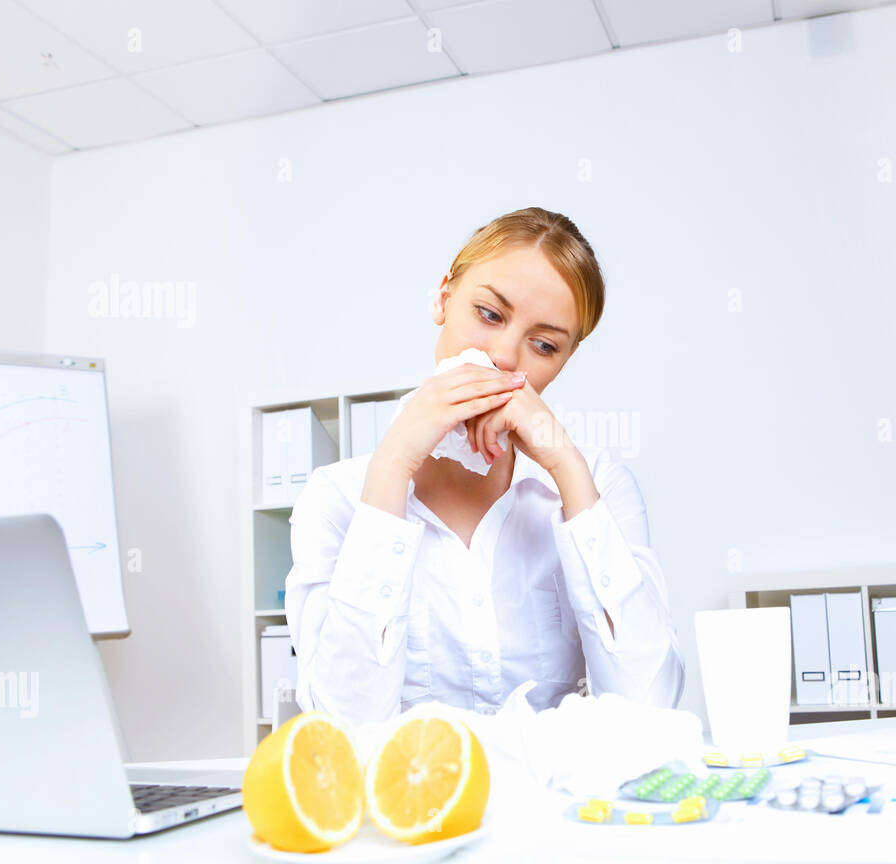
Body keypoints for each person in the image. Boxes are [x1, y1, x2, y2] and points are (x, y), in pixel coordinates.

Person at [285, 207, 685, 725]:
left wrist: (566, 466)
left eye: (543, 345)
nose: (503, 357)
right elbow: (343, 727)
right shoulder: (334, 499)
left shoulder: (598, 488)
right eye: (490, 315)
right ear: (444, 298)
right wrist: (392, 467)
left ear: (564, 361)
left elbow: (649, 712)